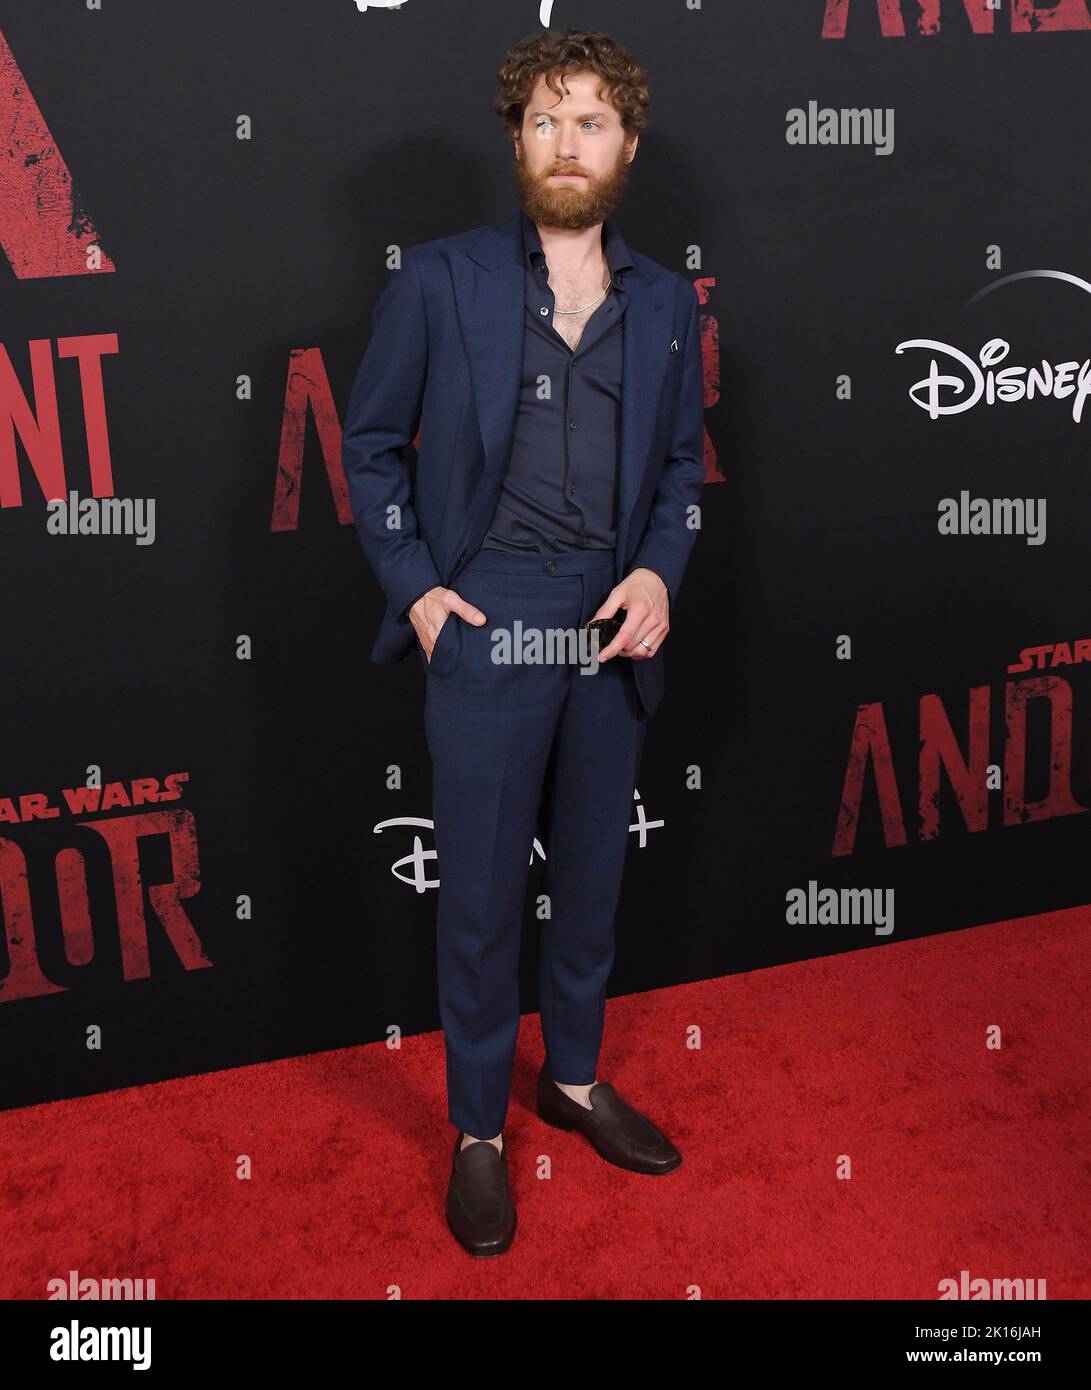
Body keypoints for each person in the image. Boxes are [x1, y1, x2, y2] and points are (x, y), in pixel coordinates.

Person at [342, 28, 706, 1256]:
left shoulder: (663, 303)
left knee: (592, 879)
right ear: (515, 139)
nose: (567, 143)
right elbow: (368, 445)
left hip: (611, 627)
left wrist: (661, 565)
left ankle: (577, 1075)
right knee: (484, 898)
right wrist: (420, 593)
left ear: (626, 144)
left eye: (590, 121)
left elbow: (675, 470)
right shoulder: (439, 283)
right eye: (545, 120)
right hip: (489, 620)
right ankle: (478, 1133)